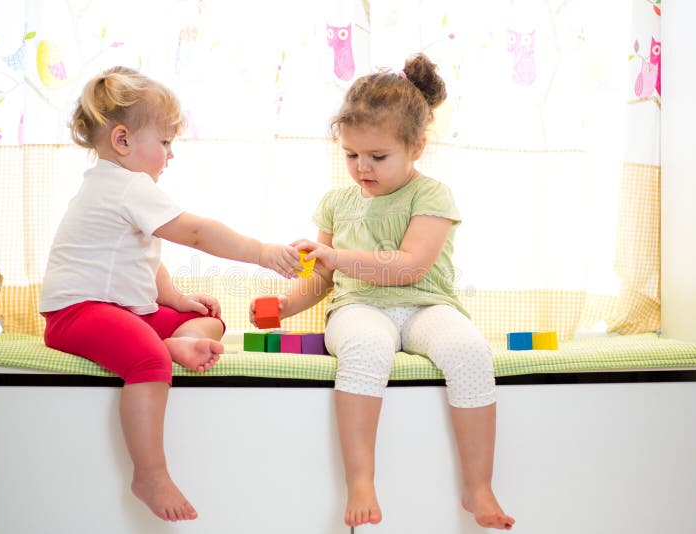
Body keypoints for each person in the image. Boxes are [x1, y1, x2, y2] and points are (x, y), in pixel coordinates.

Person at [250, 54, 514, 530]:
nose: (362, 167)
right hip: (358, 307)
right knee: (366, 348)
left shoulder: (431, 195)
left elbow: (411, 266)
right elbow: (323, 280)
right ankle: (361, 479)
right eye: (351, 155)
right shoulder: (336, 202)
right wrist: (285, 306)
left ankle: (478, 486)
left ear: (415, 146)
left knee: (470, 352)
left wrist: (338, 258)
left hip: (426, 305)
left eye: (377, 156)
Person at [39, 66, 302, 522]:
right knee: (149, 361)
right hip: (78, 313)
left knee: (211, 321)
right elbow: (197, 233)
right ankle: (150, 473)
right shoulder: (126, 185)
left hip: (117, 310)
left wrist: (176, 298)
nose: (170, 154)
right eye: (163, 143)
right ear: (123, 141)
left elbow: (140, 256)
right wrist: (262, 252)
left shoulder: (113, 185)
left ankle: (170, 340)